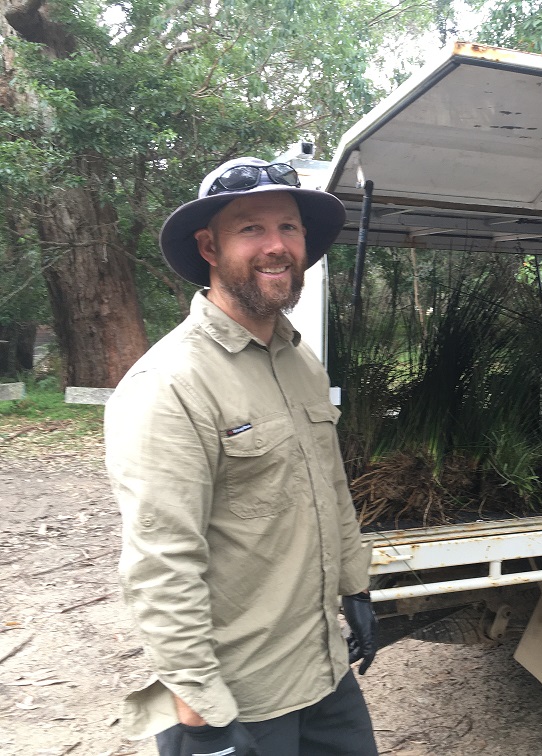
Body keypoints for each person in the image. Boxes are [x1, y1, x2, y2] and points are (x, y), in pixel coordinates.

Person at [104, 157, 379, 756]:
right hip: (238, 698)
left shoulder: (300, 362)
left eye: (289, 227)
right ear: (208, 245)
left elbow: (331, 487)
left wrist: (355, 587)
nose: (276, 246)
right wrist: (199, 716)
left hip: (321, 670)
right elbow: (160, 565)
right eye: (251, 228)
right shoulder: (169, 384)